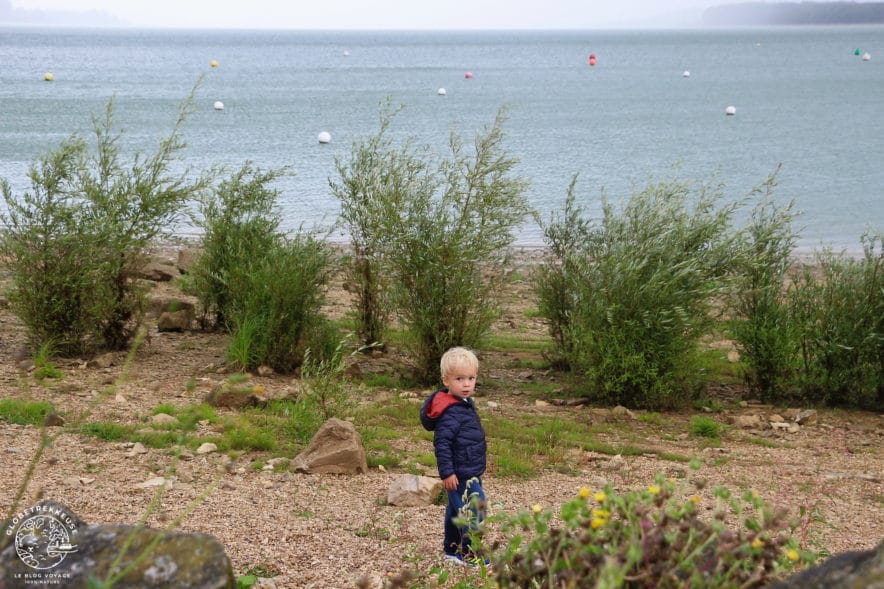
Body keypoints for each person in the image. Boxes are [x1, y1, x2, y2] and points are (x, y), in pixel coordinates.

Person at [420, 347, 489, 566]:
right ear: (446, 380)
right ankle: (469, 553)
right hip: (459, 473)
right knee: (474, 508)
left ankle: (451, 549)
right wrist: (447, 472)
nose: (467, 384)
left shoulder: (464, 404)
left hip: (469, 469)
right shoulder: (450, 411)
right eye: (460, 379)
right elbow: (442, 444)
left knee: (454, 510)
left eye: (471, 378)